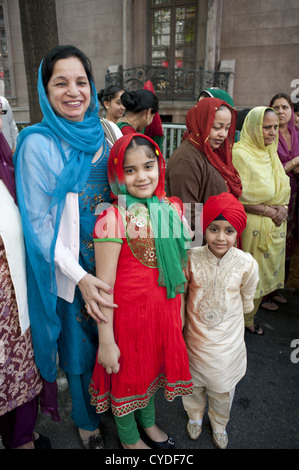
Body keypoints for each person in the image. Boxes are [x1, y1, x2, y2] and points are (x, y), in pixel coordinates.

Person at [13, 45, 119, 449]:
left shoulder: (106, 131)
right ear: (45, 89)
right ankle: (85, 418)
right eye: (61, 82)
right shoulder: (37, 142)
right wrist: (80, 276)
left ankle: (116, 403)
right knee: (78, 348)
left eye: (81, 82)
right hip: (71, 266)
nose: (73, 91)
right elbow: (38, 225)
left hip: (111, 259)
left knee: (113, 335)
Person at [89, 133, 193, 450]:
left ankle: (147, 422)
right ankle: (130, 438)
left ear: (159, 165)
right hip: (128, 321)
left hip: (162, 313)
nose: (141, 176)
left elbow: (181, 268)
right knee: (128, 374)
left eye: (148, 166)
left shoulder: (169, 210)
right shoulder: (112, 217)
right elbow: (102, 288)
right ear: (117, 176)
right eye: (130, 170)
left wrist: (181, 311)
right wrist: (106, 341)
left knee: (149, 371)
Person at [182, 192, 259, 449]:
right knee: (193, 385)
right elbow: (183, 293)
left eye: (229, 231)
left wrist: (245, 309)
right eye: (214, 229)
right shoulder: (191, 258)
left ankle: (219, 423)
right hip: (196, 337)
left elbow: (248, 293)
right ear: (205, 229)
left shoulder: (246, 263)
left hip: (228, 341)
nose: (220, 237)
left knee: (223, 389)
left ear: (237, 234)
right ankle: (194, 416)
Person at [0, 116, 50, 449]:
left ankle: (20, 434)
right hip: (6, 293)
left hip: (15, 287)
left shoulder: (4, 151)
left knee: (21, 365)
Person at [232, 107, 290, 332]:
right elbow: (236, 197)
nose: (273, 132)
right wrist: (269, 211)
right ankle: (235, 325)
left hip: (274, 226)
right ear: (254, 127)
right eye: (267, 127)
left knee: (261, 279)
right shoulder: (240, 154)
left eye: (275, 127)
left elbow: (281, 188)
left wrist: (283, 208)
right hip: (252, 226)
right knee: (246, 279)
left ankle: (249, 320)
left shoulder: (270, 152)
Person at [166, 97, 242, 243]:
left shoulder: (213, 152)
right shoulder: (186, 160)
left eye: (226, 128)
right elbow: (188, 212)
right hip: (201, 245)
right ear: (200, 123)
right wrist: (219, 239)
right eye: (216, 127)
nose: (223, 134)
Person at [269, 94, 299, 300]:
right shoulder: (268, 136)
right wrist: (293, 163)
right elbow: (269, 170)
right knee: (272, 243)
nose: (280, 111)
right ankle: (265, 294)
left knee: (289, 243)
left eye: (285, 107)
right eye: (276, 107)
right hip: (276, 197)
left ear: (291, 111)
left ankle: (278, 287)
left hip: (295, 195)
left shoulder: (296, 134)